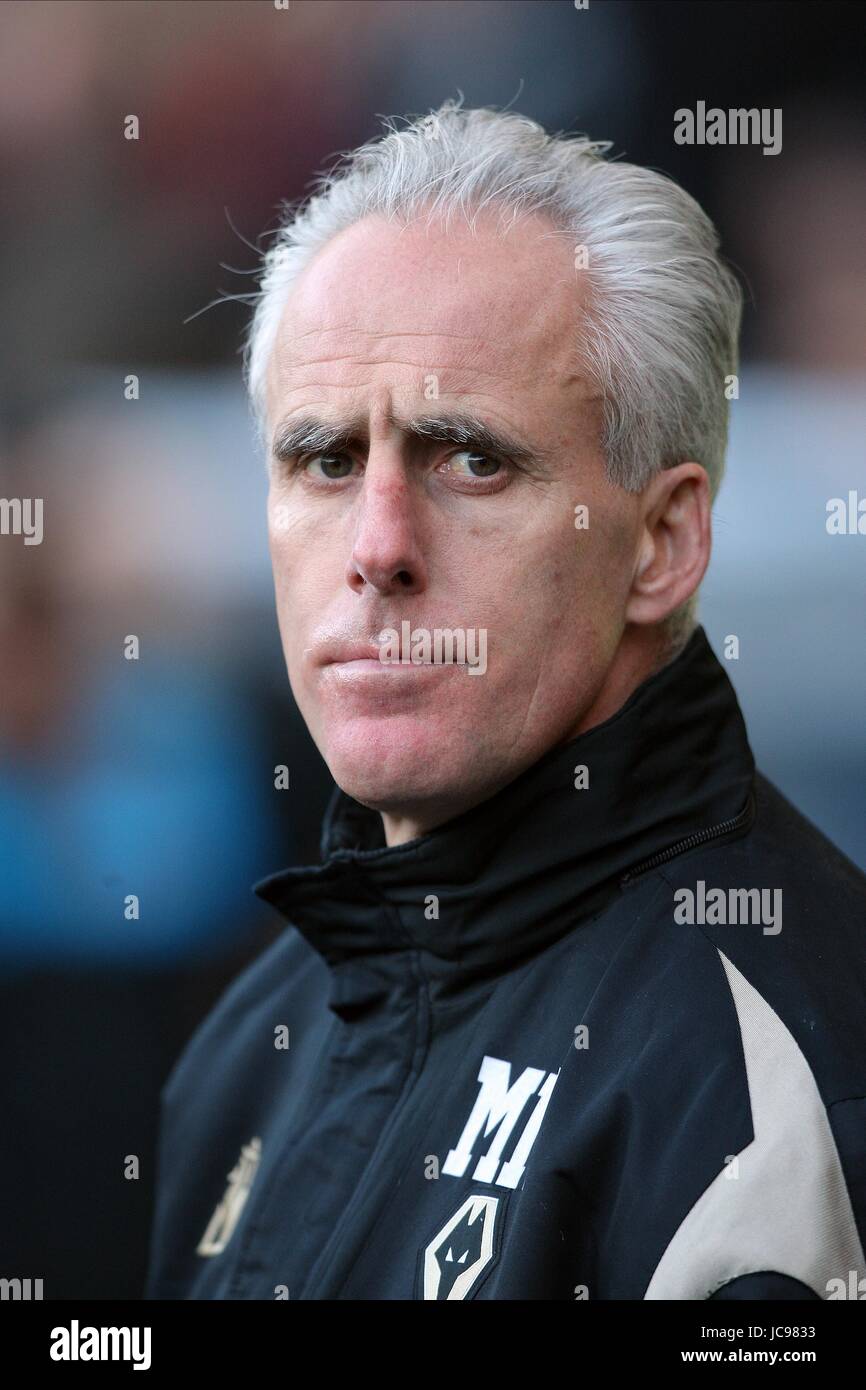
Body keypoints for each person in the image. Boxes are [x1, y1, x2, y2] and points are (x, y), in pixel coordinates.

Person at [145, 102, 866, 1301]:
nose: (377, 546)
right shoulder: (251, 1039)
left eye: (471, 459)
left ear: (660, 542)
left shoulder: (772, 1086)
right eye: (325, 460)